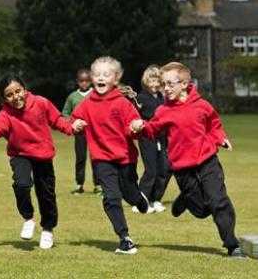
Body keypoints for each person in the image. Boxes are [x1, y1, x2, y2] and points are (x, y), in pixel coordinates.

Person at [131, 62, 246, 258]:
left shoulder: (202, 106)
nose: (165, 88)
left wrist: (221, 138)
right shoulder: (163, 111)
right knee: (202, 211)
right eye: (163, 84)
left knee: (218, 201)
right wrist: (140, 126)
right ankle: (185, 198)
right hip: (182, 168)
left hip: (208, 161)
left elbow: (214, 125)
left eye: (170, 84)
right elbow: (151, 130)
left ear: (184, 83)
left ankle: (232, 245)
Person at [0, 75, 85, 249]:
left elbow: (57, 120)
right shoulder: (5, 114)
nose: (16, 97)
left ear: (25, 89)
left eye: (18, 91)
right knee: (22, 184)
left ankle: (48, 229)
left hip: (43, 155)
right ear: (4, 98)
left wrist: (72, 127)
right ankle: (28, 218)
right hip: (20, 155)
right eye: (9, 95)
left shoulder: (41, 103)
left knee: (46, 194)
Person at [71, 56, 150, 255]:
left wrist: (136, 127)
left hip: (125, 159)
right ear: (91, 78)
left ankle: (139, 200)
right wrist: (75, 125)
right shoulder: (87, 104)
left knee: (129, 194)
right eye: (97, 74)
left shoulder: (122, 103)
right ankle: (124, 238)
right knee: (111, 197)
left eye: (106, 74)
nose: (100, 78)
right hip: (101, 160)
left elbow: (135, 126)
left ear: (116, 78)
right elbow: (74, 120)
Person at [131, 65, 170, 214]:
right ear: (146, 82)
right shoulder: (140, 98)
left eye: (157, 81)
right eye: (151, 81)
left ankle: (156, 199)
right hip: (147, 138)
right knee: (151, 171)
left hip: (162, 139)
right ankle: (140, 202)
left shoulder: (162, 97)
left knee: (164, 170)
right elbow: (135, 117)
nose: (154, 85)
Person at [63, 68, 98, 195]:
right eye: (81, 81)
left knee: (96, 158)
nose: (84, 83)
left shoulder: (96, 94)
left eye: (87, 81)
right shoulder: (72, 97)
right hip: (80, 133)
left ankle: (98, 185)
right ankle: (79, 184)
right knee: (80, 158)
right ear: (78, 82)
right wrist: (72, 123)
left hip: (95, 132)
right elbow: (65, 113)